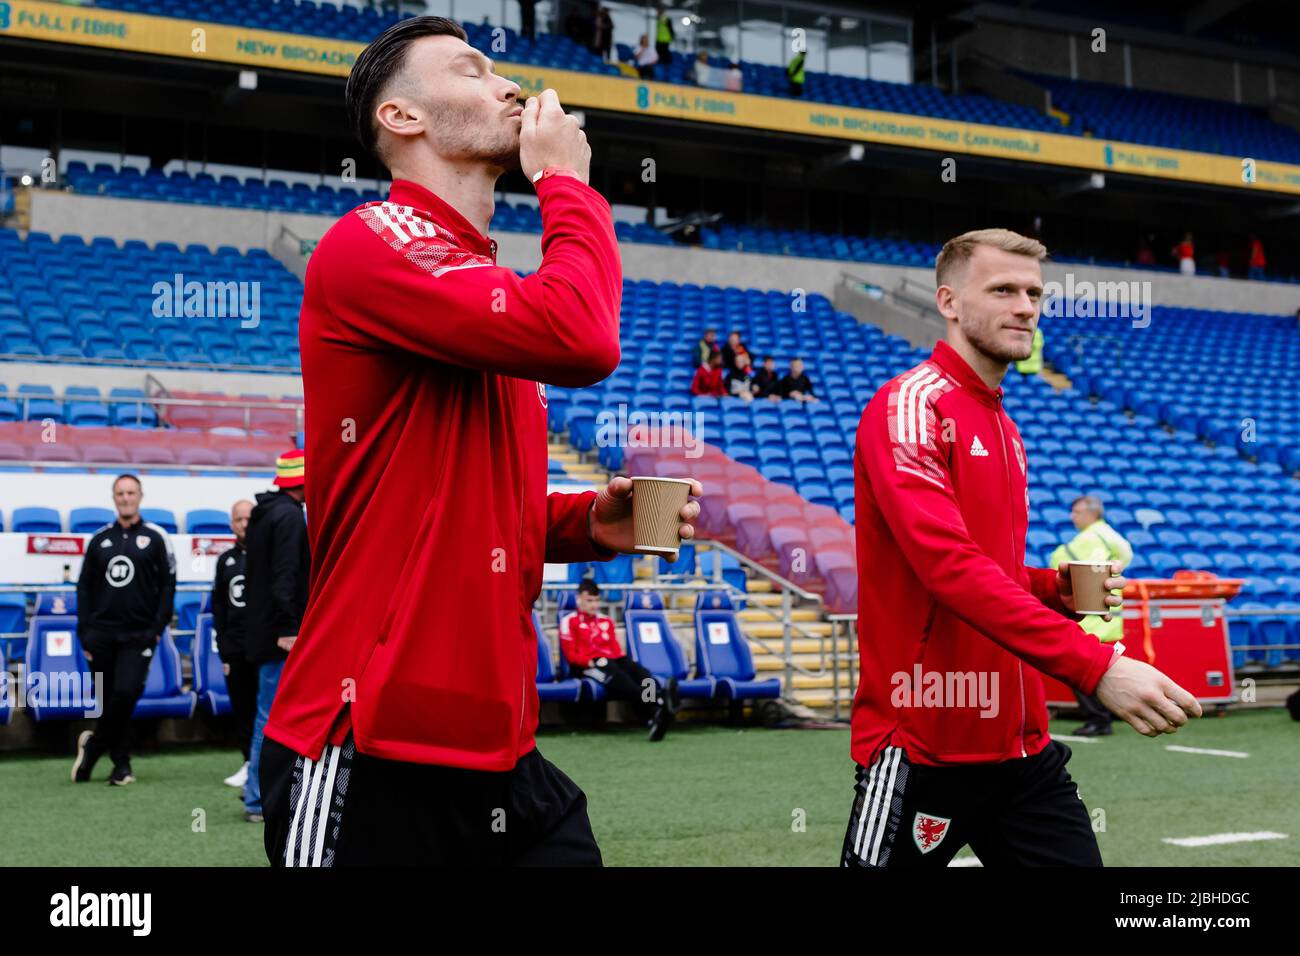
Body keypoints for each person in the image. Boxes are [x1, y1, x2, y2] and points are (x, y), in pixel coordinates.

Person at [259, 16, 702, 867]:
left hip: (499, 749)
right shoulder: (372, 241)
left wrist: (580, 524)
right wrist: (568, 185)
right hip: (366, 744)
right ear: (403, 119)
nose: (507, 85)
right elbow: (583, 337)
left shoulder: (484, 290)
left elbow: (450, 508)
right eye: (471, 69)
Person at [842, 228, 1201, 868]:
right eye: (1003, 289)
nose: (1026, 306)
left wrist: (1052, 588)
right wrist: (1097, 666)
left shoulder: (1005, 426)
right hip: (923, 745)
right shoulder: (909, 407)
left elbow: (991, 570)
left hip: (1024, 749)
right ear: (949, 302)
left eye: (1034, 292)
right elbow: (947, 570)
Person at [71, 474, 176, 786]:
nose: (126, 498)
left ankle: (94, 747)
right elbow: (84, 588)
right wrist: (84, 632)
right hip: (100, 636)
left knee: (126, 693)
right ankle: (121, 765)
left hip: (139, 635)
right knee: (112, 700)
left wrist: (157, 628)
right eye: (120, 493)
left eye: (131, 492)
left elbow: (168, 585)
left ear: (140, 496)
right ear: (114, 498)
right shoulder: (99, 539)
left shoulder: (157, 537)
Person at [242, 450, 310, 824]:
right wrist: (288, 627)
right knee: (272, 718)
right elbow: (285, 577)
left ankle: (259, 794)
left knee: (266, 717)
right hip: (279, 636)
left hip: (263, 632)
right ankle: (257, 798)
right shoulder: (288, 517)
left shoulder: (265, 513)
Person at [1049, 495, 1133, 737]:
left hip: (1090, 616)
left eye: (1076, 512)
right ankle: (1106, 714)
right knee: (1102, 667)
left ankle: (1099, 719)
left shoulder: (1089, 538)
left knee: (1080, 669)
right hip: (1108, 614)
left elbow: (1059, 562)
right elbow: (1126, 556)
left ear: (1091, 513)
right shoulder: (1111, 535)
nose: (1072, 517)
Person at [560, 580, 678, 740]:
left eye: (596, 600)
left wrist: (625, 664)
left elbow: (615, 649)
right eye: (589, 600)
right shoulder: (569, 621)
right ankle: (658, 704)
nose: (594, 605)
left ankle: (656, 709)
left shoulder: (605, 621)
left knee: (643, 674)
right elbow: (571, 656)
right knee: (622, 680)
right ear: (579, 599)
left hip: (613, 660)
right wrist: (590, 662)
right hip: (588, 665)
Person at [212, 499, 256, 788]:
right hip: (235, 647)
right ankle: (248, 762)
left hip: (262, 646)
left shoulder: (268, 557)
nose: (244, 524)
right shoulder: (225, 560)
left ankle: (265, 763)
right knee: (242, 708)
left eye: (248, 518)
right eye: (239, 519)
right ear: (232, 524)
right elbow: (219, 606)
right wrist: (223, 645)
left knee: (266, 707)